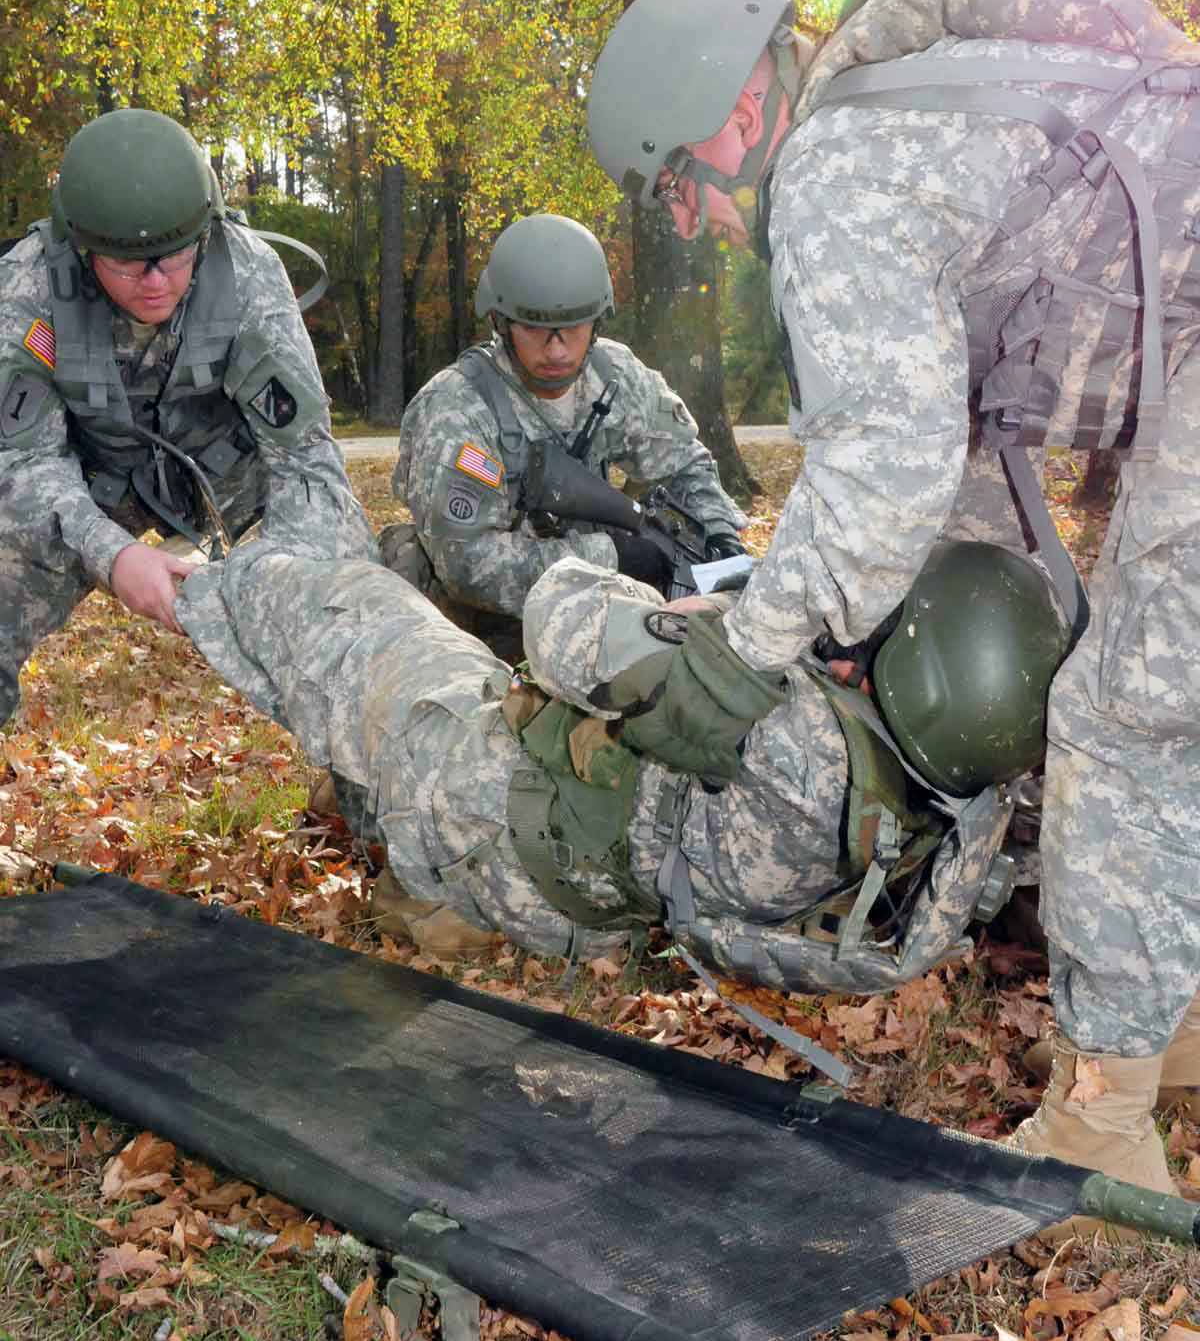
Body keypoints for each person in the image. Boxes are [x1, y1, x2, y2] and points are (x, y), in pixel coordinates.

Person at [584, 0, 1200, 1203]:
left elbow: (881, 481)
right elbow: (955, 507)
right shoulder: (912, 121)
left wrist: (740, 658)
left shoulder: (833, 170)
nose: (686, 222)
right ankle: (1166, 1023)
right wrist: (801, 610)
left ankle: (1103, 1131)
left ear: (737, 111)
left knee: (1121, 716)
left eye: (676, 183)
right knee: (1143, 688)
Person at [176, 531, 1066, 989]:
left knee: (350, 603)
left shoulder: (774, 720)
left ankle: (175, 580)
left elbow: (557, 616)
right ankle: (404, 855)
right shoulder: (944, 806)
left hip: (482, 811)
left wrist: (697, 610)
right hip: (590, 912)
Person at [0, 107, 374, 728]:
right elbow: (23, 465)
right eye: (127, 264)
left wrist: (283, 575)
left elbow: (306, 458)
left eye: (175, 257)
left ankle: (360, 760)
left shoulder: (248, 271)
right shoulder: (27, 288)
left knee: (345, 594)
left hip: (230, 477)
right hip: (92, 485)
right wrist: (113, 554)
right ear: (84, 249)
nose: (155, 282)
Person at [390, 213, 747, 653]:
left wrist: (721, 539)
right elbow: (466, 567)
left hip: (595, 610)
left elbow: (686, 465)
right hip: (476, 632)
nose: (556, 349)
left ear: (597, 322)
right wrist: (613, 556)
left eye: (574, 328)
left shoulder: (614, 375)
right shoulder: (456, 408)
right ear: (500, 322)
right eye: (535, 328)